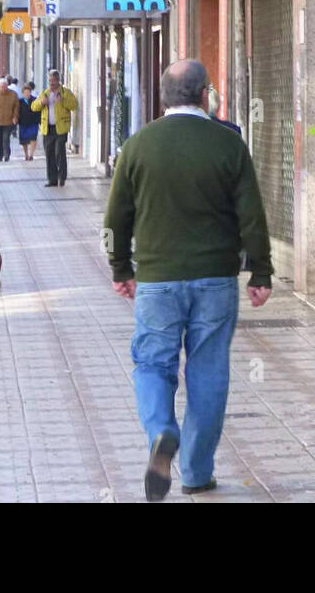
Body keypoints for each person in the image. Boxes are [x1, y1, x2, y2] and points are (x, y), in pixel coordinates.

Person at [104, 58, 273, 502]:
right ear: (204, 95)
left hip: (157, 280)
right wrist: (261, 270)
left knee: (153, 364)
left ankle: (161, 430)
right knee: (208, 370)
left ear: (164, 98)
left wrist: (121, 267)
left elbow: (116, 217)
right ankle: (197, 472)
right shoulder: (227, 145)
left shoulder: (137, 146)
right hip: (216, 280)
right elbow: (251, 215)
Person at [31, 69, 78, 186]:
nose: (51, 83)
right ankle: (52, 179)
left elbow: (74, 105)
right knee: (49, 154)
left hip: (61, 128)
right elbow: (33, 107)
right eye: (50, 80)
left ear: (58, 81)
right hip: (47, 128)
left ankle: (62, 177)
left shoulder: (65, 93)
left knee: (59, 152)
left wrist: (62, 101)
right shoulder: (45, 93)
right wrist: (41, 102)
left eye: (54, 81)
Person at [18, 83, 41, 161]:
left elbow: (39, 111)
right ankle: (26, 154)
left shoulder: (35, 100)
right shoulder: (20, 102)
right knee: (24, 140)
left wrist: (39, 120)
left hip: (33, 122)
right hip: (23, 123)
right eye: (25, 93)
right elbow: (17, 112)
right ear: (23, 93)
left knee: (33, 138)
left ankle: (31, 155)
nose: (27, 94)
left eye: (28, 92)